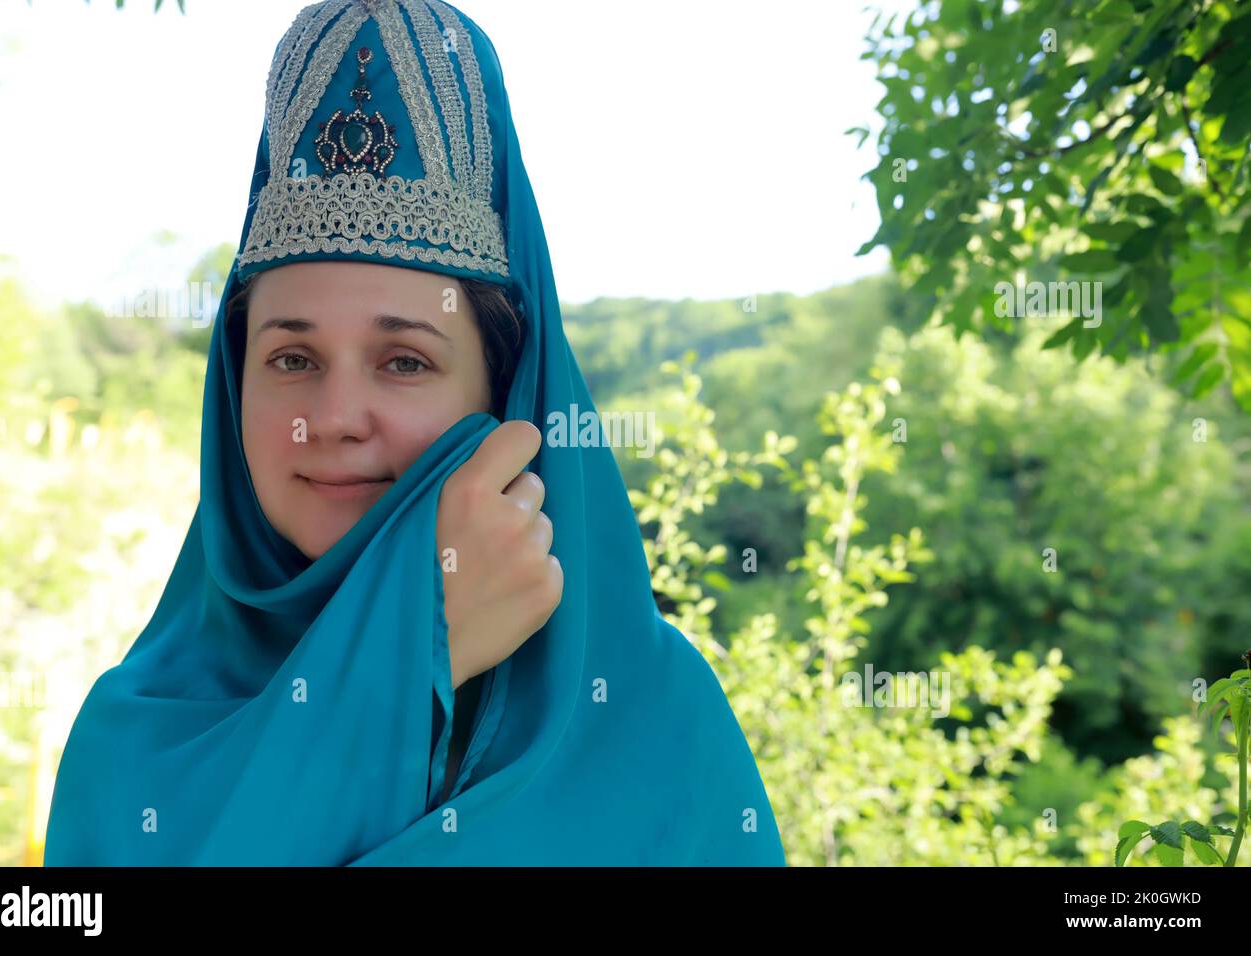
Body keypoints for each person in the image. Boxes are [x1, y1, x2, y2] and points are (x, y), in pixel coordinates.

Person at [43, 0, 786, 866]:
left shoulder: (658, 723)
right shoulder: (132, 746)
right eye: (291, 359)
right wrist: (410, 657)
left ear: (508, 397)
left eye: (403, 361)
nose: (333, 419)